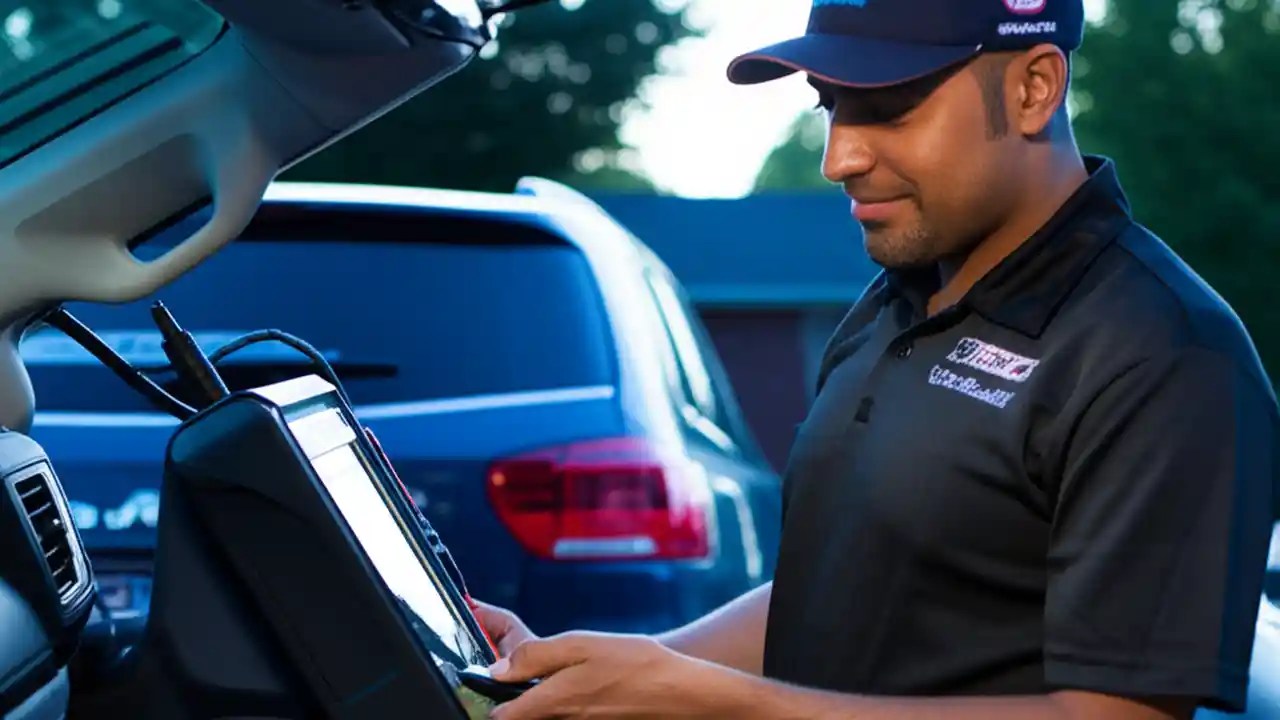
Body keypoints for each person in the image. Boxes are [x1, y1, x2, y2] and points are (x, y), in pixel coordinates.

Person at [472, 0, 1280, 718]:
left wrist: (711, 702)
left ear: (1034, 88)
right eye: (830, 107)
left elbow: (1116, 716)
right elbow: (842, 584)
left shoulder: (1164, 355)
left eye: (888, 107)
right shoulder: (894, 301)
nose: (839, 158)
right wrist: (608, 675)